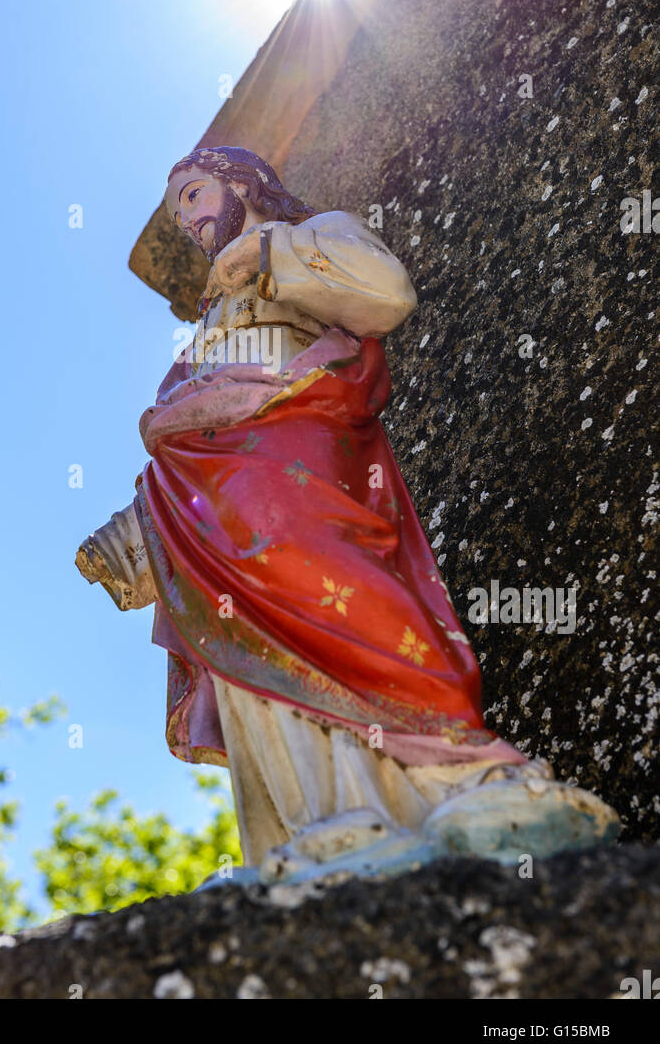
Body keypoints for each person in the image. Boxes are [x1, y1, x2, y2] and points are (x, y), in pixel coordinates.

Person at [76, 146, 617, 880]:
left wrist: (269, 255)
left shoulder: (313, 231)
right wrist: (147, 519)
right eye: (179, 211)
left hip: (295, 436)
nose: (190, 218)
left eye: (196, 194)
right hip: (207, 474)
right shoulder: (212, 306)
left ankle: (457, 772)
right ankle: (318, 820)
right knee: (240, 631)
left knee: (328, 581)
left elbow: (384, 293)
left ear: (242, 183)